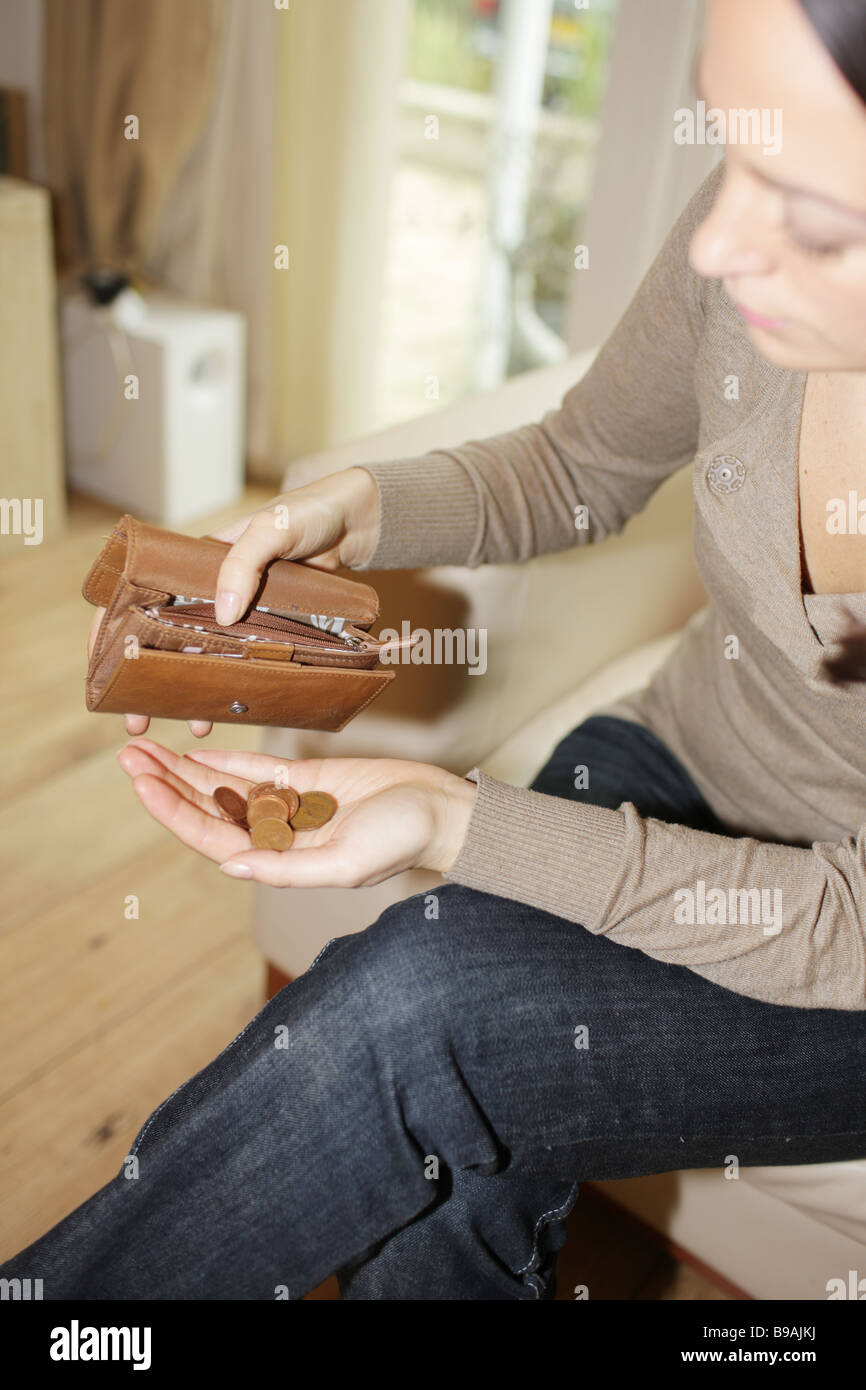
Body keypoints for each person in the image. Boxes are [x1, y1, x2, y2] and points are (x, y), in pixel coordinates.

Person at [5, 0, 866, 1299]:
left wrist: (458, 823)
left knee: (432, 1003)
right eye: (730, 150)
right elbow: (583, 461)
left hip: (841, 963)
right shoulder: (734, 264)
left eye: (805, 214)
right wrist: (364, 504)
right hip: (685, 749)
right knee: (466, 1132)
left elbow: (838, 924)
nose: (713, 239)